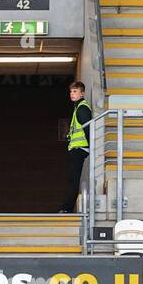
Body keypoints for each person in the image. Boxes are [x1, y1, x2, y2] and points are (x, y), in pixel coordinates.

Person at [60, 81, 92, 213]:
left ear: (82, 93)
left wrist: (89, 146)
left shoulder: (82, 108)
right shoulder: (78, 107)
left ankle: (67, 208)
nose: (72, 94)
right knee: (72, 178)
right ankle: (67, 207)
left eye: (75, 91)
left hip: (79, 149)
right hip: (77, 148)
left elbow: (88, 128)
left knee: (73, 179)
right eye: (71, 91)